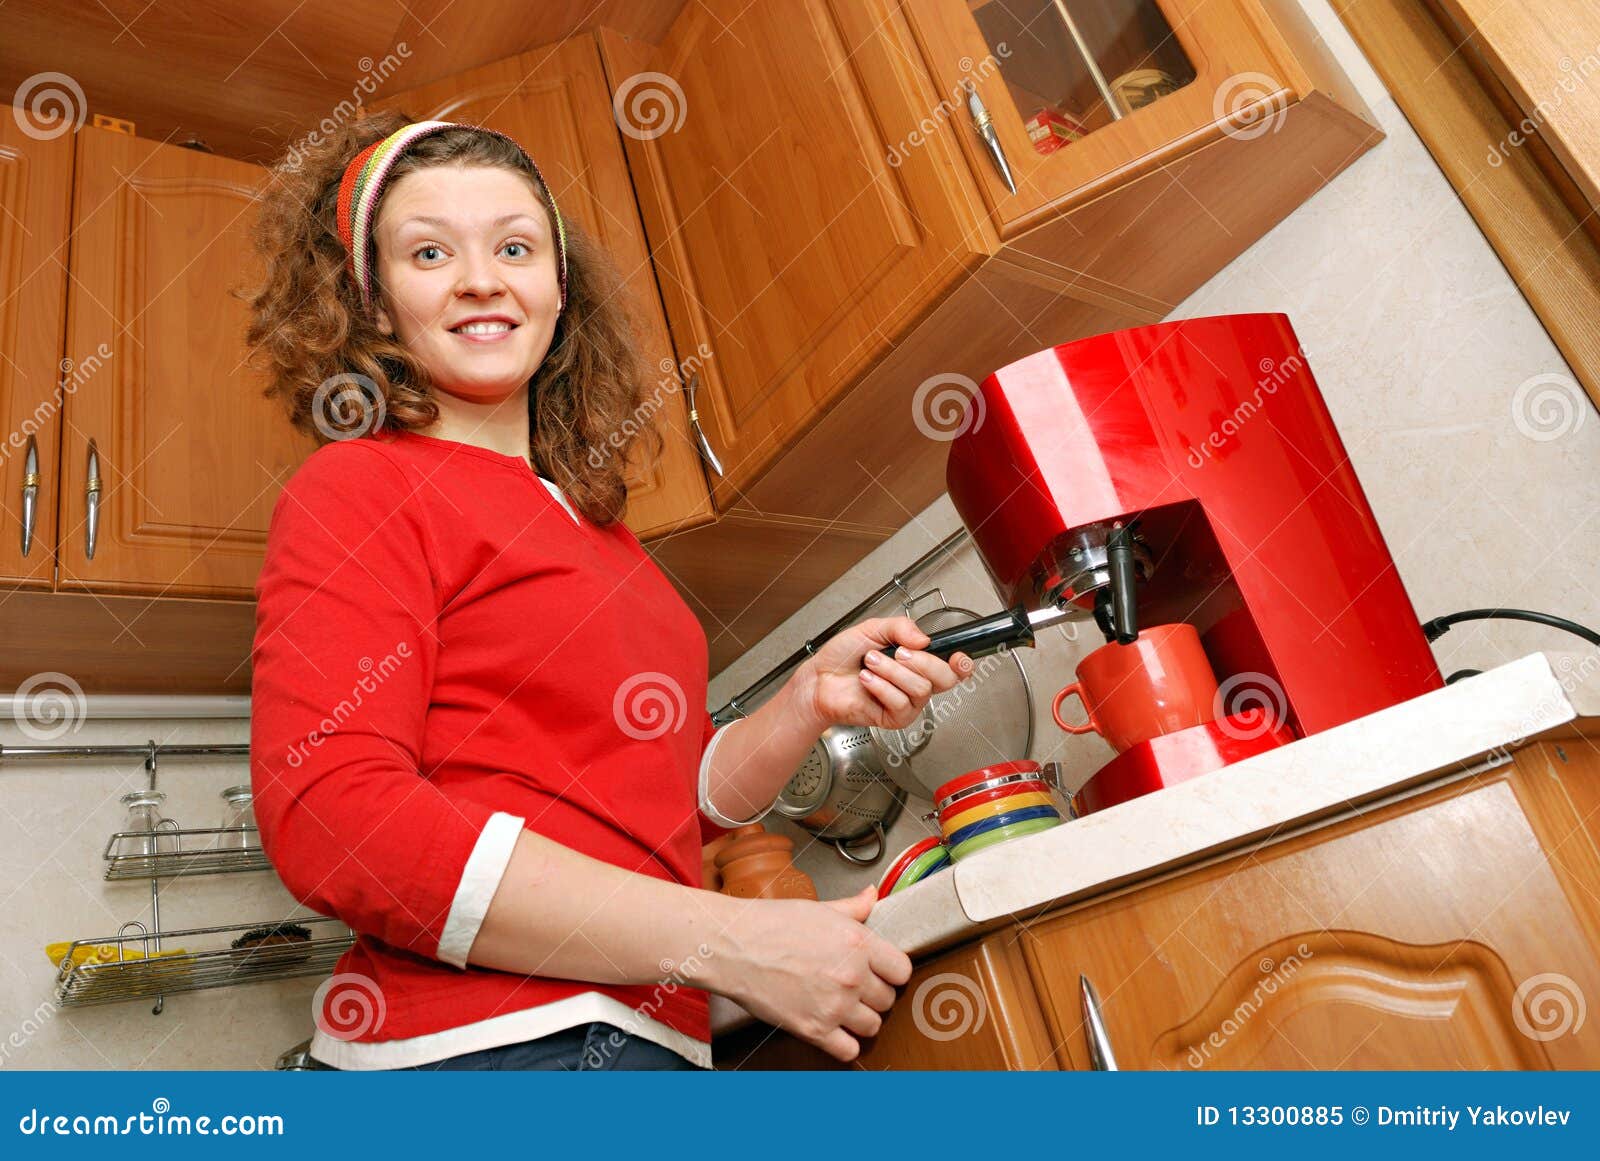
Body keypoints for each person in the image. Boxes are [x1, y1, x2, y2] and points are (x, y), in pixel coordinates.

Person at [242, 114, 974, 1071]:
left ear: (556, 290)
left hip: (637, 1037)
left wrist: (804, 703)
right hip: (486, 1052)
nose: (481, 278)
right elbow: (336, 820)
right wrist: (729, 939)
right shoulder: (362, 487)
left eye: (515, 246)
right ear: (374, 305)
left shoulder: (600, 532)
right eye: (430, 252)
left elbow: (662, 802)